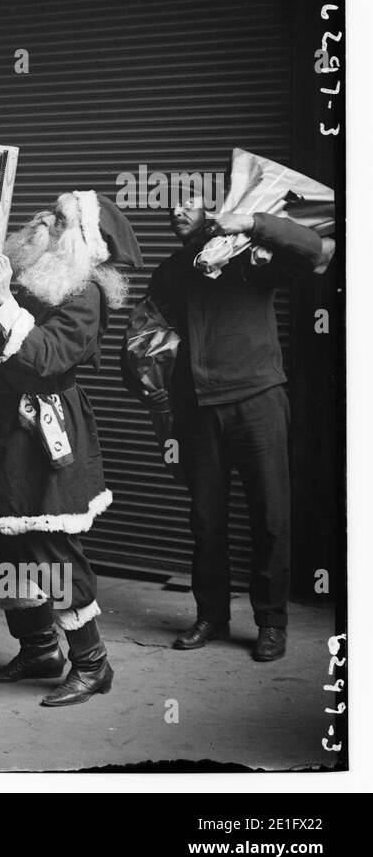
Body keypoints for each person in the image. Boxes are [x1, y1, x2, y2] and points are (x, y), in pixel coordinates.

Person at [125, 192, 322, 662]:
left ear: (214, 211)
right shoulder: (172, 270)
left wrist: (252, 221)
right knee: (206, 522)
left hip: (258, 399)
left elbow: (313, 249)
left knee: (271, 518)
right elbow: (148, 338)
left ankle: (271, 622)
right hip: (198, 409)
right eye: (171, 206)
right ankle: (211, 617)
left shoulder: (250, 256)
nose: (177, 211)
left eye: (189, 205)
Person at [0, 190, 142, 707]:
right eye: (51, 210)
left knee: (52, 550)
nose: (46, 217)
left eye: (62, 218)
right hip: (6, 427)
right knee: (1, 547)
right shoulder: (30, 278)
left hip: (49, 435)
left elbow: (44, 358)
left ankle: (93, 664)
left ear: (85, 242)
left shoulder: (85, 291)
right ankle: (40, 648)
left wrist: (2, 301)